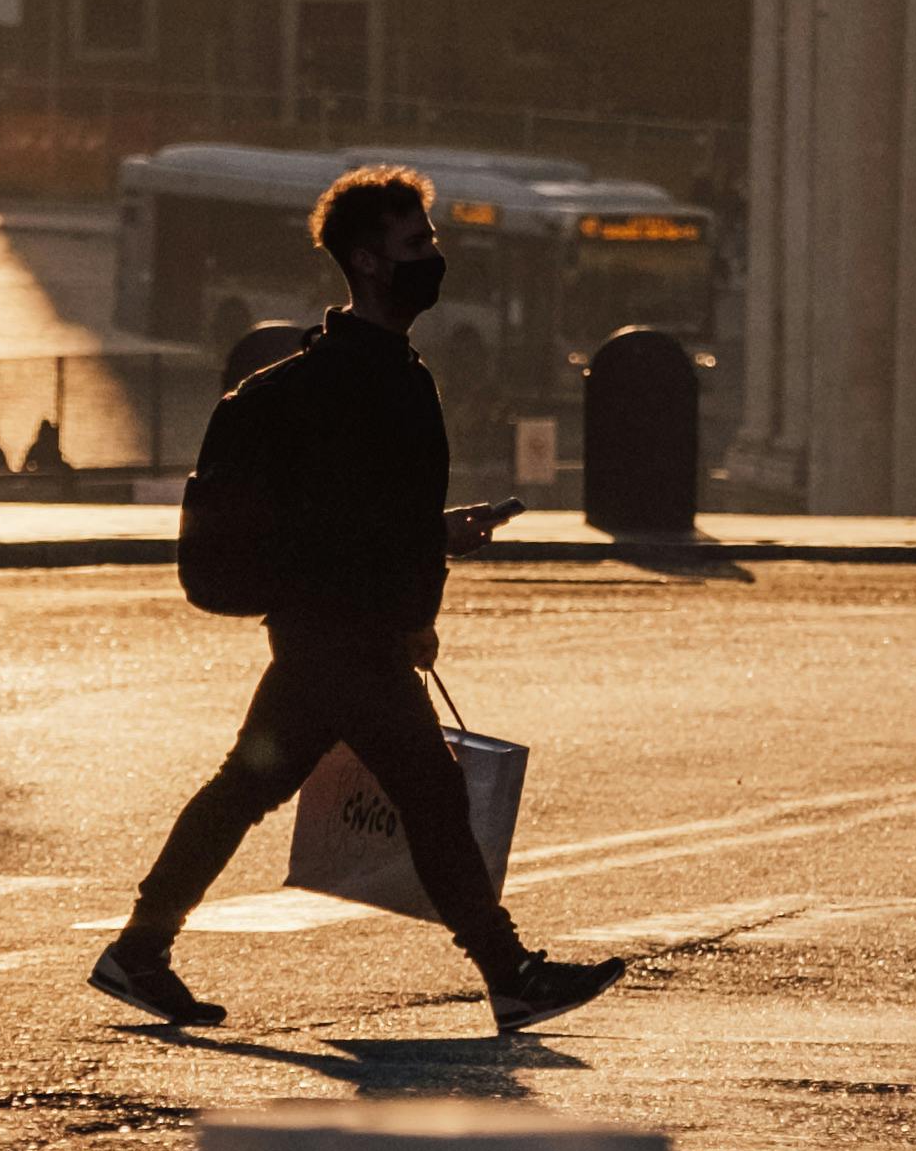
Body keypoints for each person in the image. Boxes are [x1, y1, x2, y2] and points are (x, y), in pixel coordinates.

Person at [92, 162, 625, 1037]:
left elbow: (360, 520)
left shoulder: (360, 372)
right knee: (428, 793)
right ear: (370, 262)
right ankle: (508, 973)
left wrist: (432, 538)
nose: (434, 256)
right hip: (345, 635)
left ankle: (140, 949)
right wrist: (413, 600)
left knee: (247, 787)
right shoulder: (365, 382)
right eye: (417, 242)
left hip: (320, 633)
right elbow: (353, 527)